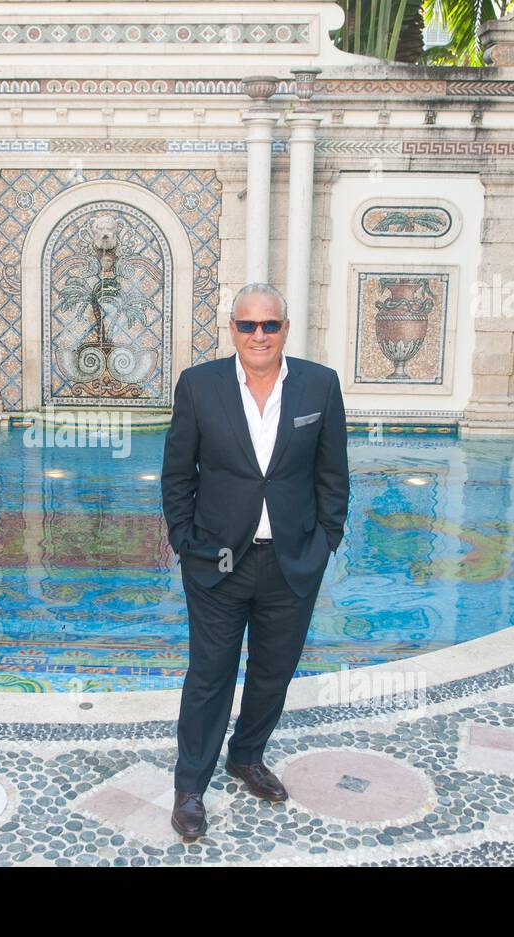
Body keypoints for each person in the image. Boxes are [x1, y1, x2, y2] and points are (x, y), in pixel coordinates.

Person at [160, 281, 349, 840]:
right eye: (248, 325)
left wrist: (324, 543)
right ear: (233, 330)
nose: (259, 334)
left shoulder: (320, 385)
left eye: (270, 324)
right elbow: (177, 475)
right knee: (209, 676)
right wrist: (187, 541)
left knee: (273, 673)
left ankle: (246, 756)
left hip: (291, 562)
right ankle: (190, 786)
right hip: (217, 560)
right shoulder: (199, 386)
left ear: (285, 329)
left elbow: (332, 475)